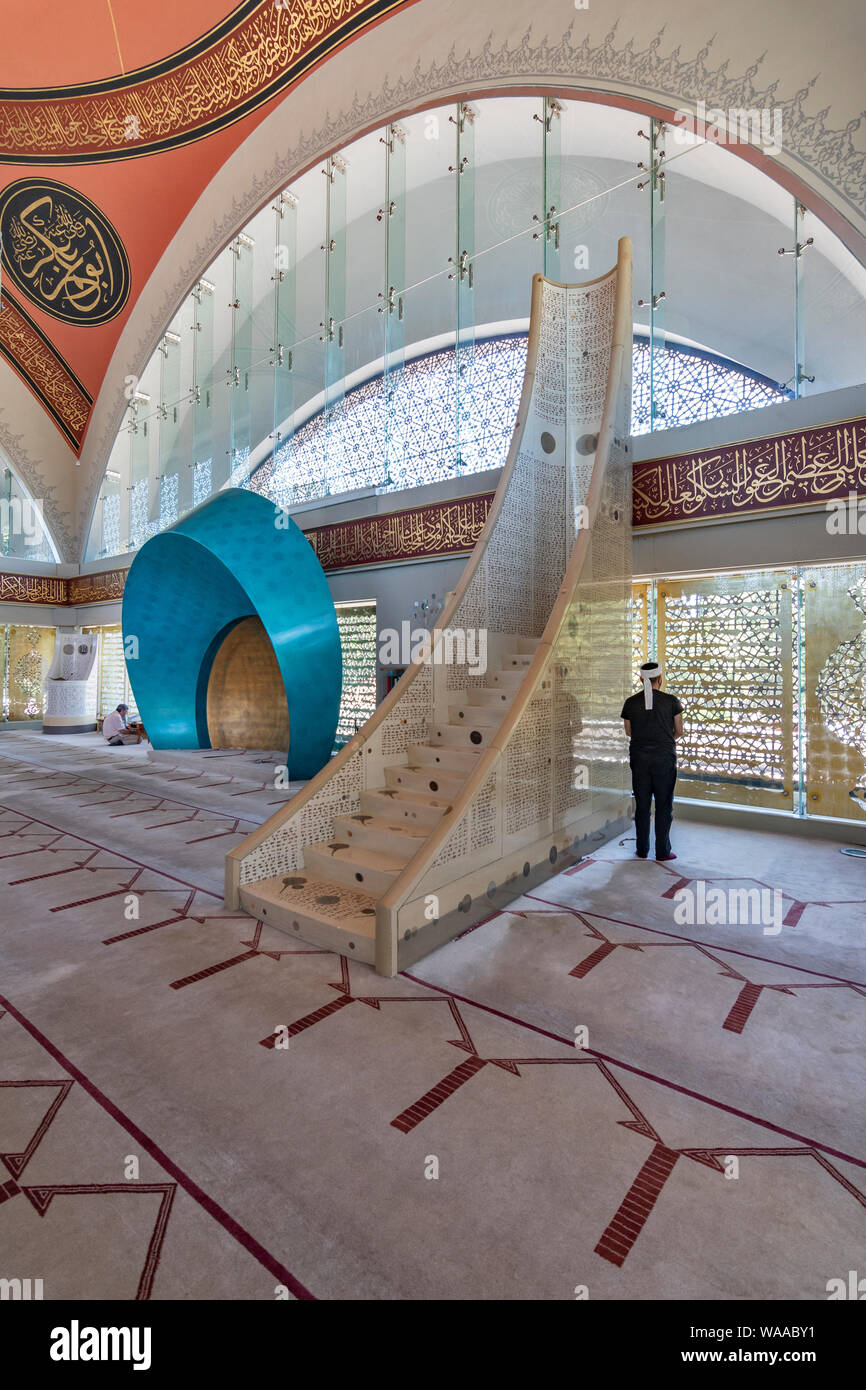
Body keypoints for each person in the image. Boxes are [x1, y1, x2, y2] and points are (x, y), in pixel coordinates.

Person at [620, 661, 683, 862]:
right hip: (664, 758)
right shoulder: (671, 701)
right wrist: (663, 741)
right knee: (664, 805)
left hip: (639, 758)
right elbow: (679, 731)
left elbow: (629, 732)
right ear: (660, 679)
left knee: (642, 804)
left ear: (641, 679)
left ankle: (642, 849)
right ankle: (663, 852)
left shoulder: (630, 703)